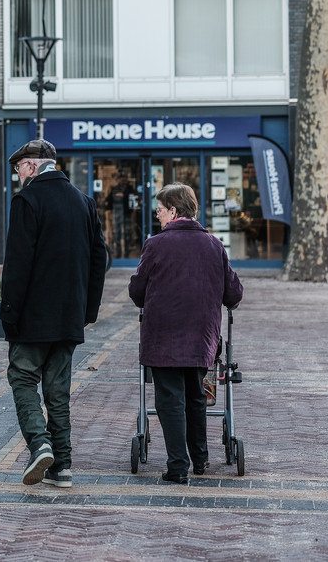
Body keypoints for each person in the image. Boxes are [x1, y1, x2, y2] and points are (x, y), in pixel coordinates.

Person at [1, 139, 108, 489]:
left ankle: (39, 443)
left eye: (19, 168)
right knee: (58, 392)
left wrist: (9, 313)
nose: (18, 175)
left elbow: (17, 264)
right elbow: (99, 258)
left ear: (33, 165)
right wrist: (88, 309)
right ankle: (62, 467)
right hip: (69, 317)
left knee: (22, 377)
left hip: (33, 317)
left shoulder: (28, 200)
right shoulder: (84, 201)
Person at [129, 183, 243, 485]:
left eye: (160, 210)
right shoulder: (214, 245)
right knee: (195, 396)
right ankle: (200, 458)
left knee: (169, 399)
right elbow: (234, 293)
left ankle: (178, 465)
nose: (157, 215)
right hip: (202, 338)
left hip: (163, 337)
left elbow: (137, 291)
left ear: (174, 210)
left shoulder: (155, 245)